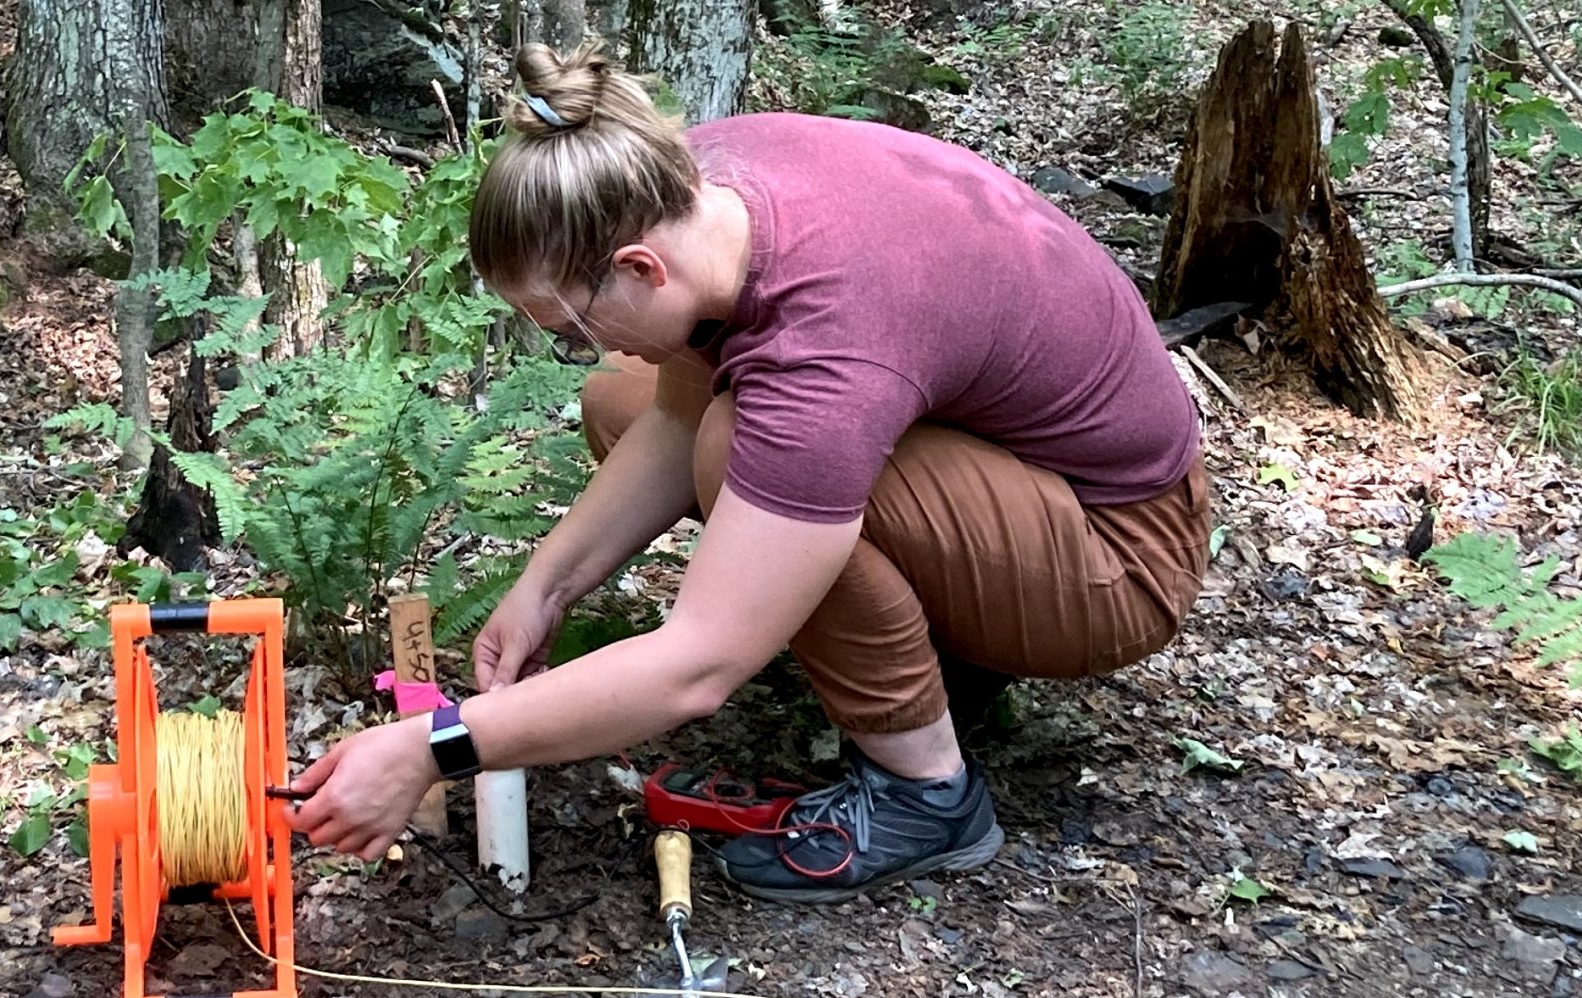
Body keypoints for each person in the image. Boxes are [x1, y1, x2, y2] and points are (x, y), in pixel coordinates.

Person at [284, 41, 1210, 903]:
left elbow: (698, 667)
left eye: (569, 326)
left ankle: (927, 791)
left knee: (738, 447)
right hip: (1009, 477)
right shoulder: (698, 187)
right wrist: (546, 587)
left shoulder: (826, 344)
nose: (576, 345)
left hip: (1116, 559)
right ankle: (935, 654)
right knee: (631, 400)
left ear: (640, 267)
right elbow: (673, 411)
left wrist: (437, 748)